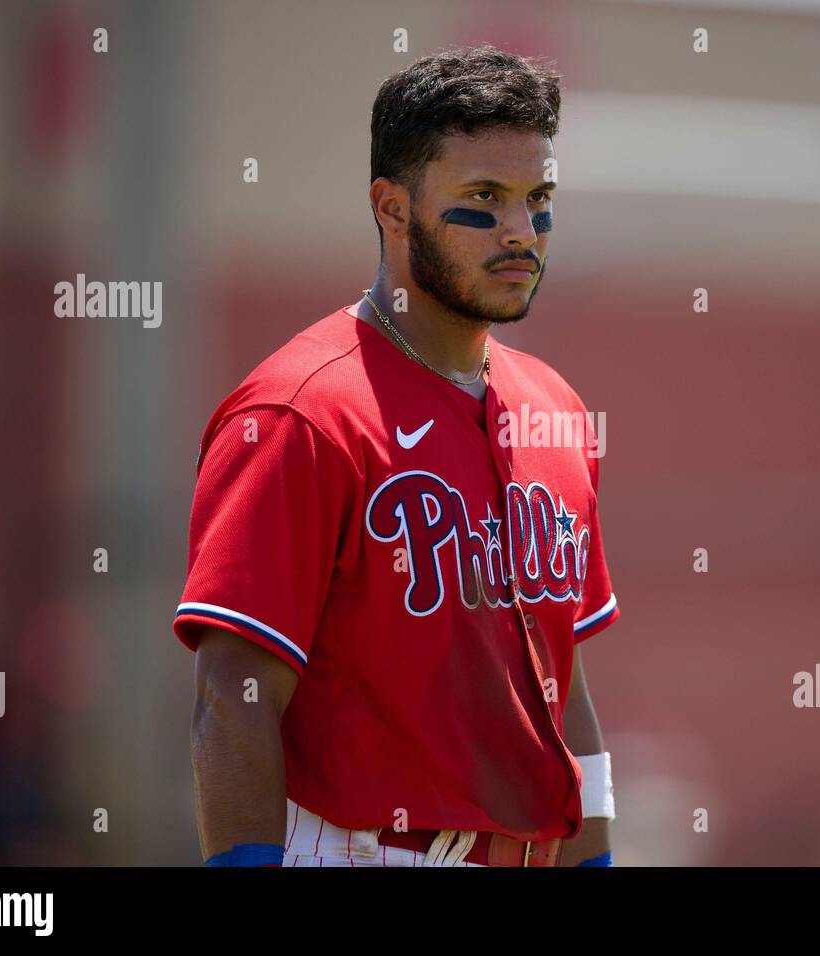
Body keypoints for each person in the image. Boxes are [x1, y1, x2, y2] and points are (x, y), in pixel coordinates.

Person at [174, 45, 620, 867]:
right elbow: (233, 697)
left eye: (539, 198)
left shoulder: (555, 408)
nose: (521, 230)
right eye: (483, 198)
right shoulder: (301, 411)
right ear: (393, 207)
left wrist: (596, 861)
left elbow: (569, 694)